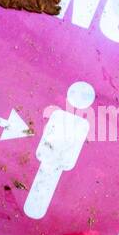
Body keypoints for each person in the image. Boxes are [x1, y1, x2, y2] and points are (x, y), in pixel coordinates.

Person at [24, 81, 94, 220]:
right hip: (50, 162)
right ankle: (34, 209)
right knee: (39, 193)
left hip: (55, 165)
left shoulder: (77, 123)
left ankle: (36, 209)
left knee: (42, 192)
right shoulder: (65, 119)